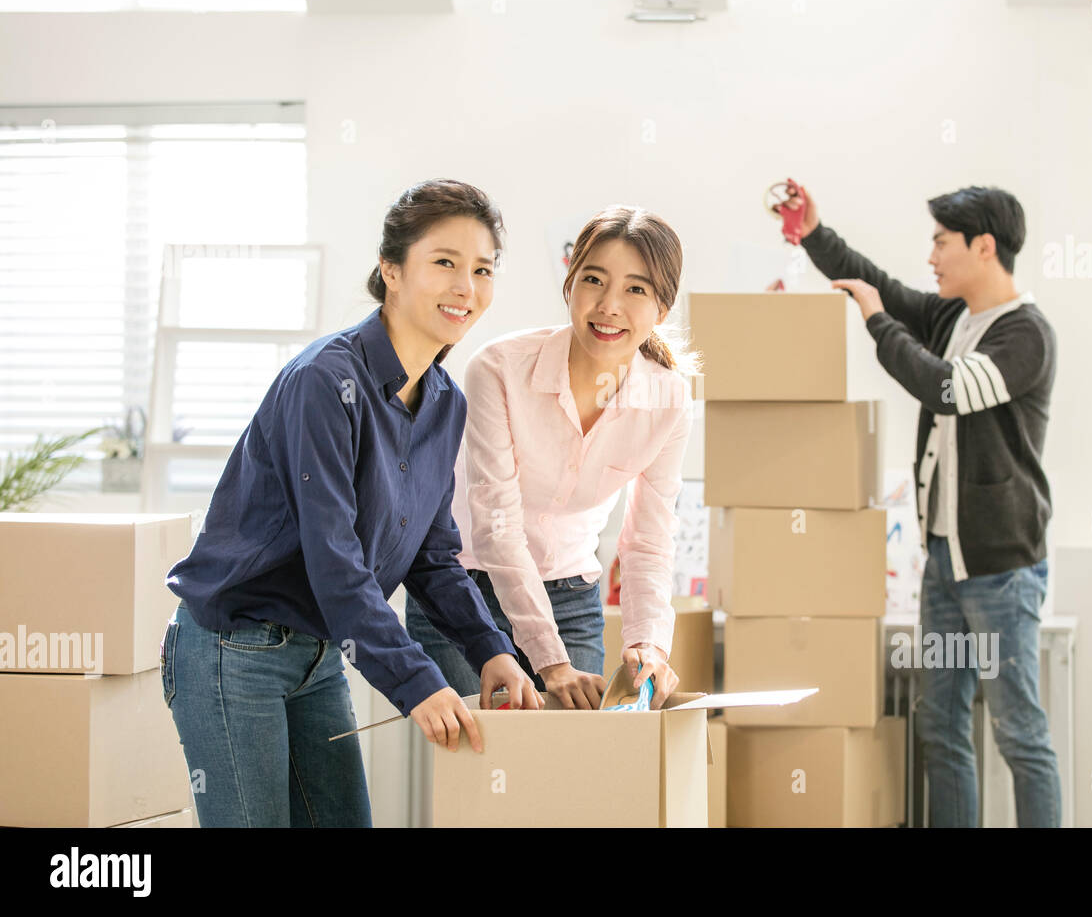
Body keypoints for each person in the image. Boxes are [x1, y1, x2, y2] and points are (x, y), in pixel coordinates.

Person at [161, 179, 542, 828]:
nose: (466, 287)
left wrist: (491, 648)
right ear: (392, 270)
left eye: (483, 269)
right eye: (444, 262)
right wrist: (417, 681)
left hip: (319, 655)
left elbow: (434, 556)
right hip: (234, 650)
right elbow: (334, 561)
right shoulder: (324, 382)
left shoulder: (446, 401)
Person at [777, 181, 1061, 827]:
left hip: (1001, 569)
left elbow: (944, 387)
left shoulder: (1026, 335)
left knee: (1020, 734)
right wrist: (814, 233)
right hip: (945, 564)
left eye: (941, 241)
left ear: (983, 247)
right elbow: (877, 282)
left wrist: (876, 321)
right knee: (939, 724)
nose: (930, 256)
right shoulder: (953, 318)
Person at [405, 205, 697, 710]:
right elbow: (497, 524)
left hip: (568, 591)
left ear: (662, 309)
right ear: (570, 284)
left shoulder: (667, 400)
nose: (608, 305)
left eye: (636, 289)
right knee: (491, 770)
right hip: (467, 589)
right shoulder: (499, 369)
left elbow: (648, 541)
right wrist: (550, 662)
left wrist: (648, 641)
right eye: (594, 280)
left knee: (568, 770)